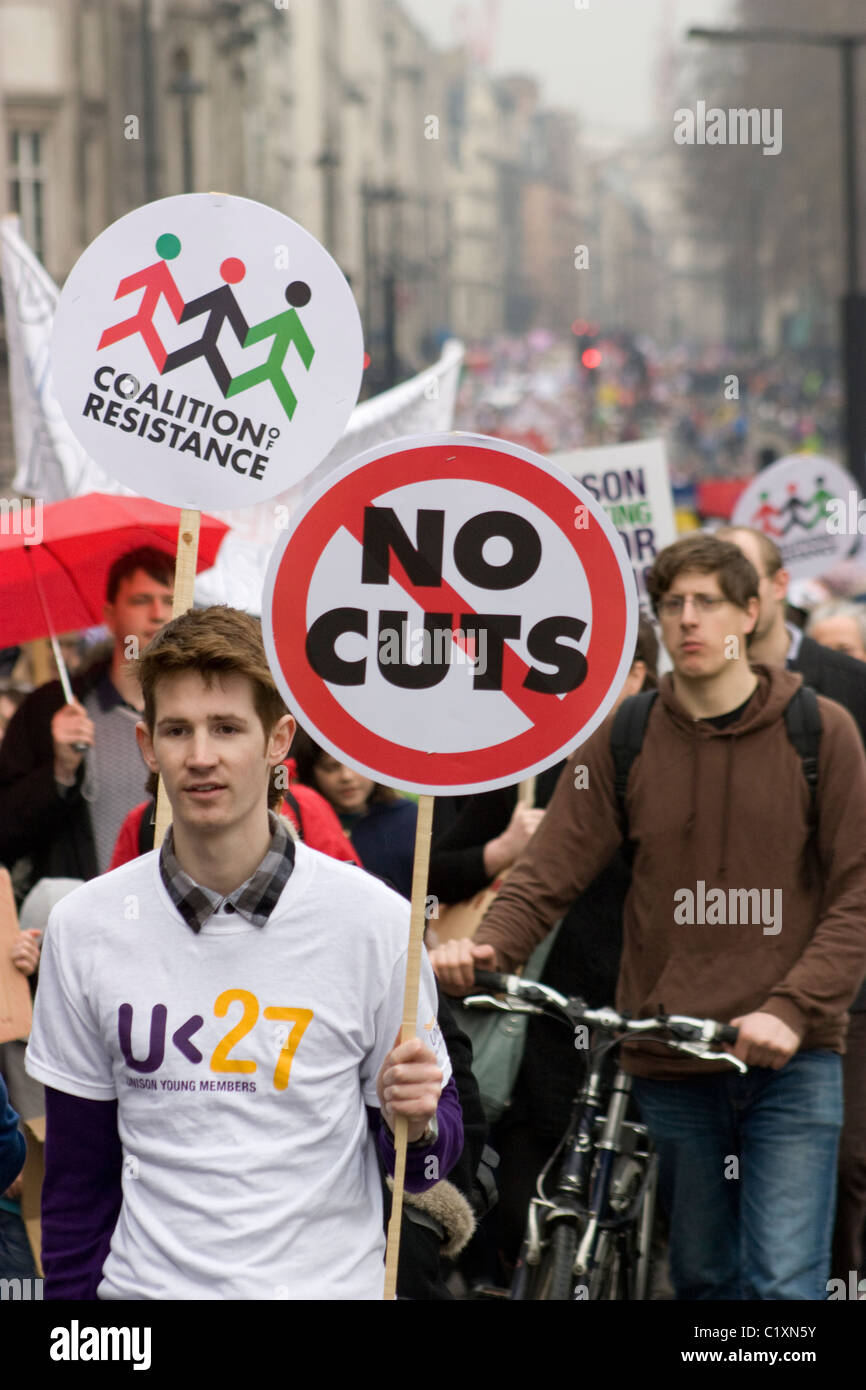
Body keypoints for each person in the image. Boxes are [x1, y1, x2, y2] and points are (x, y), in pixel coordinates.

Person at [431, 533, 866, 1301]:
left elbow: (857, 892)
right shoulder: (626, 735)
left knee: (783, 1283)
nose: (688, 620)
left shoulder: (821, 732)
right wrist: (491, 947)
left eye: (709, 602)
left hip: (788, 1059)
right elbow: (548, 873)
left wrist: (793, 1009)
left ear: (752, 612)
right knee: (701, 1277)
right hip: (668, 1057)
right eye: (673, 604)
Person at [25, 605, 460, 1300]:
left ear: (278, 738)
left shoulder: (376, 922)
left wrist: (422, 1120)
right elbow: (79, 1183)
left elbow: (423, 1167)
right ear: (146, 745)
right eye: (178, 730)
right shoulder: (85, 926)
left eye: (227, 728)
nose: (201, 756)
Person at [719, 524, 866, 1286]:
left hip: (838, 981)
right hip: (711, 975)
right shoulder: (680, 694)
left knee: (839, 1171)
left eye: (737, 579)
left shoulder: (848, 688)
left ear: (778, 589)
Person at [0, 546, 175, 888]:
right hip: (85, 920)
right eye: (141, 600)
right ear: (110, 616)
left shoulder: (201, 712)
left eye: (169, 600)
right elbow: (6, 833)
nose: (157, 614)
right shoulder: (51, 709)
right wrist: (60, 773)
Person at [292, 731, 418, 898]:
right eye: (331, 767)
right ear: (311, 772)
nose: (346, 776)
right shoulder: (297, 826)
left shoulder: (412, 820)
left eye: (356, 764)